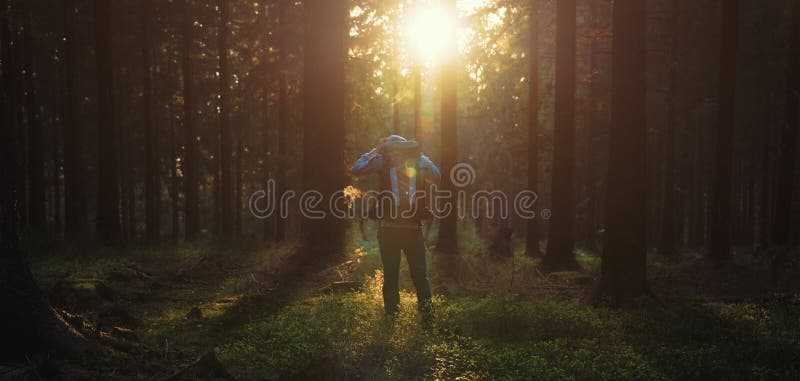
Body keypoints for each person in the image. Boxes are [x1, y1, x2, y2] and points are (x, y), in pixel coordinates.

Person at [351, 135, 441, 317]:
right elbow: (437, 177)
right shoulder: (418, 160)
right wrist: (421, 156)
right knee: (421, 278)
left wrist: (375, 150)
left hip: (388, 229)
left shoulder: (383, 159)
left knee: (391, 279)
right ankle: (428, 321)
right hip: (413, 230)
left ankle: (392, 321)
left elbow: (356, 170)